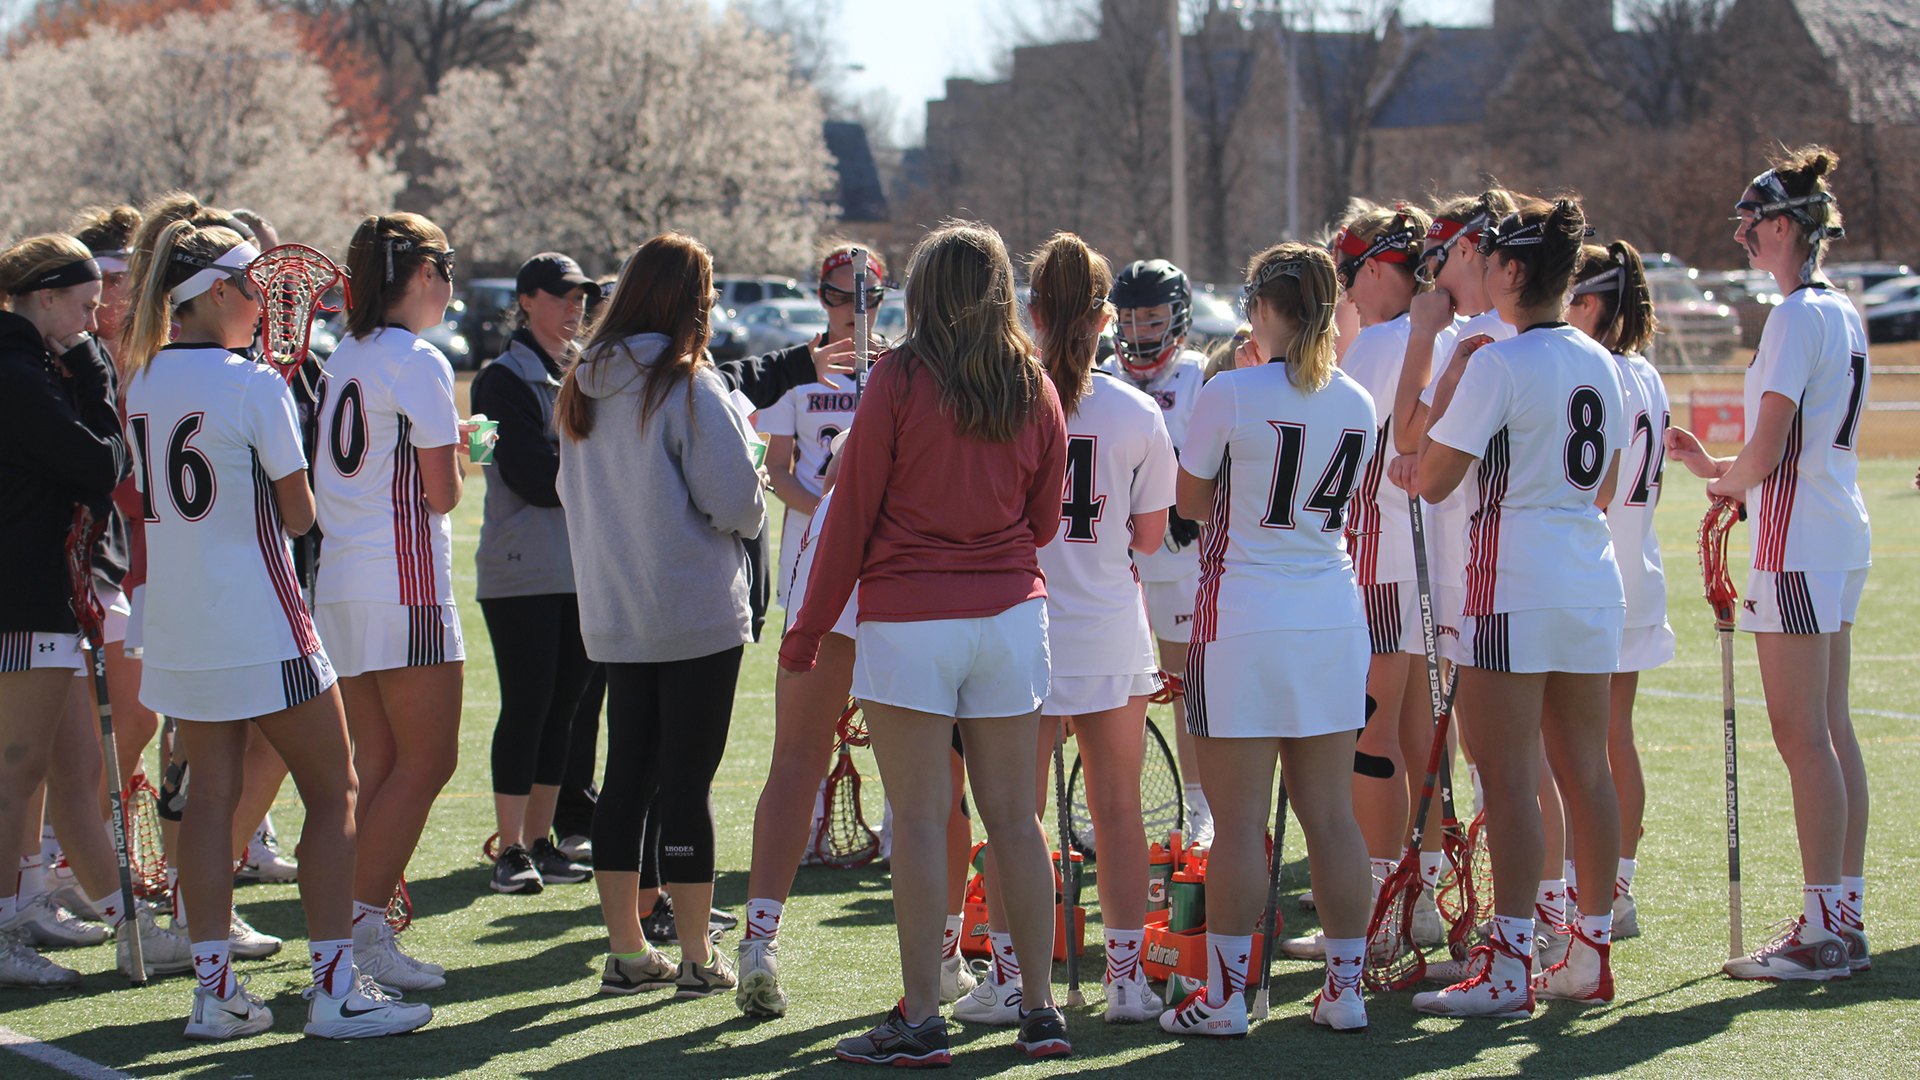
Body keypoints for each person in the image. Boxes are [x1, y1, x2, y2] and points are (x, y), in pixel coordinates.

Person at [121, 219, 429, 1039]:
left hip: (183, 624)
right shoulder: (253, 384)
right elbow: (298, 516)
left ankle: (214, 992)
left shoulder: (141, 378)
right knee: (336, 793)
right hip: (263, 616)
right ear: (214, 292)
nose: (266, 303)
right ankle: (334, 991)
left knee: (212, 804)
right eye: (255, 287)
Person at [783, 221, 1070, 1065]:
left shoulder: (900, 378)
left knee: (918, 818)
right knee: (1016, 821)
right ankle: (1041, 1010)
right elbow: (1045, 520)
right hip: (1012, 617)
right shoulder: (1033, 383)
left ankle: (921, 1017)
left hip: (912, 617)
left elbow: (851, 514)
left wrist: (806, 633)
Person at [1410, 197, 1626, 1016]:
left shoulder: (1498, 362)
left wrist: (1456, 376)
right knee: (1585, 771)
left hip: (1513, 586)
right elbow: (1603, 486)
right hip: (1587, 577)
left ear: (1512, 272)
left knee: (1507, 779)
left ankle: (1506, 966)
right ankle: (1588, 950)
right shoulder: (1600, 361)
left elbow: (1433, 477)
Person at [953, 233, 1175, 1028]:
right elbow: (1150, 540)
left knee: (1018, 816)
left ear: (1033, 312)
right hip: (1109, 625)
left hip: (1025, 624)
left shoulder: (1005, 400)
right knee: (1117, 811)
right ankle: (1124, 981)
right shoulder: (1138, 410)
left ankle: (1012, 978)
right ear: (1106, 315)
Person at [1157, 243, 1376, 1038]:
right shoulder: (1357, 399)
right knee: (1332, 816)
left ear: (1263, 306)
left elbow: (1189, 501)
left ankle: (1222, 1000)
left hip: (1243, 621)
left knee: (1242, 822)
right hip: (1330, 616)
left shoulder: (1232, 391)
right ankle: (1345, 993)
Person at [1665, 147, 1872, 980]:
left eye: (1752, 222)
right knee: (1831, 728)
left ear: (1784, 226)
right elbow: (1780, 451)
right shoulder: (1840, 311)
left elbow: (1775, 441)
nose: (1745, 236)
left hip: (1796, 544)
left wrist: (1727, 482)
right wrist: (1713, 468)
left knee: (1801, 735)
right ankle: (1843, 915)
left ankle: (1825, 929)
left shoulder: (1794, 317)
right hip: (1833, 531)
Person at [556, 234, 762, 1001]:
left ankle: (627, 948)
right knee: (687, 785)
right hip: (693, 609)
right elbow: (736, 503)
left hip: (614, 608)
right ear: (688, 300)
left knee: (625, 778)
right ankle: (702, 955)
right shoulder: (685, 381)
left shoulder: (585, 376)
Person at [0, 233, 164, 989]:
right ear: (44, 299)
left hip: (51, 592)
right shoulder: (18, 371)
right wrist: (94, 367)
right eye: (86, 303)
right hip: (21, 594)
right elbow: (101, 462)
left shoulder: (35, 366)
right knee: (16, 767)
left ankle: (125, 919)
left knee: (72, 768)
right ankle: (5, 921)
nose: (97, 318)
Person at [312, 212, 467, 993]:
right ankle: (361, 932)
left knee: (375, 766)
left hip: (343, 576)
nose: (448, 283)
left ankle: (342, 938)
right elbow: (441, 494)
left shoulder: (349, 351)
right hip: (402, 582)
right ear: (415, 273)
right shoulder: (419, 359)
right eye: (442, 266)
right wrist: (464, 452)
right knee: (427, 760)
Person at [1286, 205, 1431, 968]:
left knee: (1371, 736)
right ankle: (1423, 891)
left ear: (1376, 270)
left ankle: (1381, 905)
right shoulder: (1437, 335)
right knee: (1414, 735)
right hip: (1435, 558)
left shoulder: (1380, 343)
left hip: (1381, 552)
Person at [471, 252, 602, 894]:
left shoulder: (583, 371)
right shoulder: (501, 378)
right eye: (561, 294)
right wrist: (603, 478)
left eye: (581, 294)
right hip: (522, 567)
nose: (575, 305)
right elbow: (529, 474)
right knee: (528, 703)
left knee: (565, 706)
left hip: (578, 565)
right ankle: (510, 846)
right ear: (526, 300)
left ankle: (543, 838)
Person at [1566, 240, 1669, 939]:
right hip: (1639, 570)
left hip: (1597, 575)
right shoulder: (1648, 374)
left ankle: (1584, 893)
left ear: (1594, 304)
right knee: (1613, 741)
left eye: (1571, 296)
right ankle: (1616, 888)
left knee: (1581, 751)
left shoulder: (1595, 369)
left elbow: (1595, 487)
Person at [1103, 258, 1215, 847]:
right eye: (1128, 316)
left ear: (1178, 316)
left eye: (1152, 316)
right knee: (1112, 690)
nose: (1140, 329)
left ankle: (1199, 808)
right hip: (1111, 563)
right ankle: (1111, 808)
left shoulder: (1201, 377)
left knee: (1185, 684)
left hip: (1177, 558)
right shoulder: (1100, 373)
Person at [758, 244, 878, 613]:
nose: (855, 309)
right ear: (821, 298)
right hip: (810, 536)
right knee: (805, 660)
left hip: (880, 540)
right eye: (837, 296)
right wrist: (828, 515)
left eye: (866, 297)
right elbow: (776, 467)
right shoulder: (796, 372)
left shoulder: (900, 369)